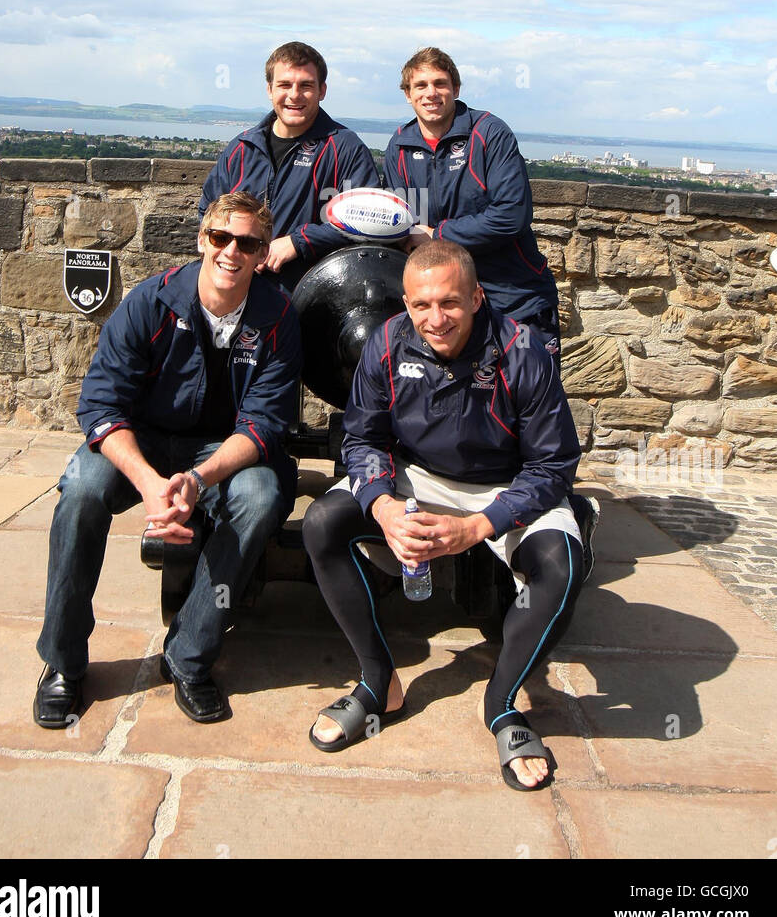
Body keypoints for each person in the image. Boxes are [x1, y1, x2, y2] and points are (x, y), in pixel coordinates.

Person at [302, 241, 595, 790]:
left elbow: (554, 462)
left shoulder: (523, 350)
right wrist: (384, 505)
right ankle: (376, 681)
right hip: (420, 476)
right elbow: (363, 438)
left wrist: (480, 526)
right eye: (421, 305)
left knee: (563, 566)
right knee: (323, 522)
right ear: (405, 303)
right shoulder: (387, 344)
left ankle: (503, 705)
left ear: (477, 296)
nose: (436, 320)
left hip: (507, 483)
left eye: (451, 303)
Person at [34, 191, 302, 727]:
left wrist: (199, 480)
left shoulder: (277, 317)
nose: (232, 252)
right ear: (203, 240)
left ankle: (189, 656)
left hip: (222, 447)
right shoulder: (151, 303)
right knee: (82, 493)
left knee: (260, 496)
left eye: (248, 243)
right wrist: (151, 482)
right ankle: (62, 663)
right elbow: (101, 404)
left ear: (262, 252)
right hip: (146, 438)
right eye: (222, 238)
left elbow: (265, 424)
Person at [382, 46, 561, 360]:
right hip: (446, 312)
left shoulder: (489, 133)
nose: (431, 93)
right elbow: (402, 223)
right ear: (408, 95)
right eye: (420, 86)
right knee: (462, 407)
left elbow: (512, 215)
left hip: (514, 300)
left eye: (440, 83)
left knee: (534, 405)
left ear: (456, 89)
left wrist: (438, 235)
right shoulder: (399, 146)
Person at [199, 42, 379, 293]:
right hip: (239, 293)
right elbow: (208, 213)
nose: (294, 95)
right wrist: (241, 247)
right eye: (284, 85)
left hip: (308, 299)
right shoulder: (242, 148)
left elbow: (370, 222)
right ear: (270, 90)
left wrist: (299, 242)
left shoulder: (346, 149)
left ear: (322, 91)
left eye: (306, 85)